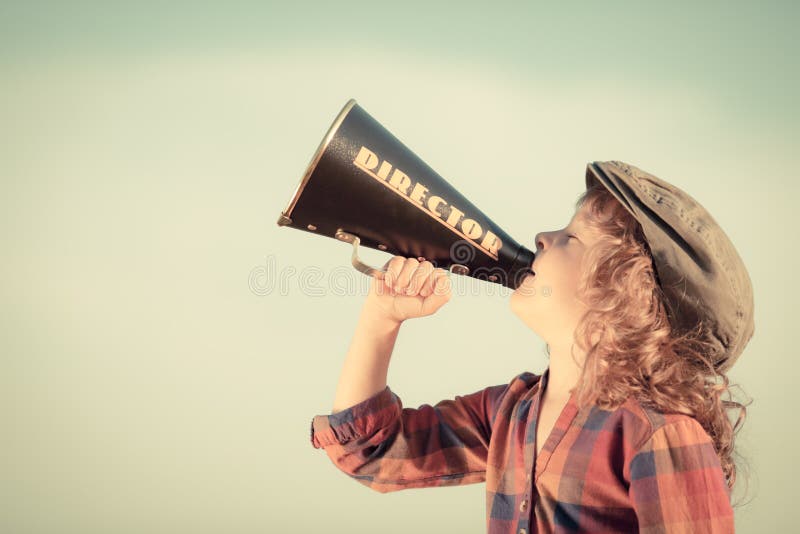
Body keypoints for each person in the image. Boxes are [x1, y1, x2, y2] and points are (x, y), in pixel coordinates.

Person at [309, 161, 754, 534]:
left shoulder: (658, 433)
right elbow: (371, 454)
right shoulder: (512, 413)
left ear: (622, 293)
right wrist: (381, 318)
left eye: (571, 238)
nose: (542, 236)